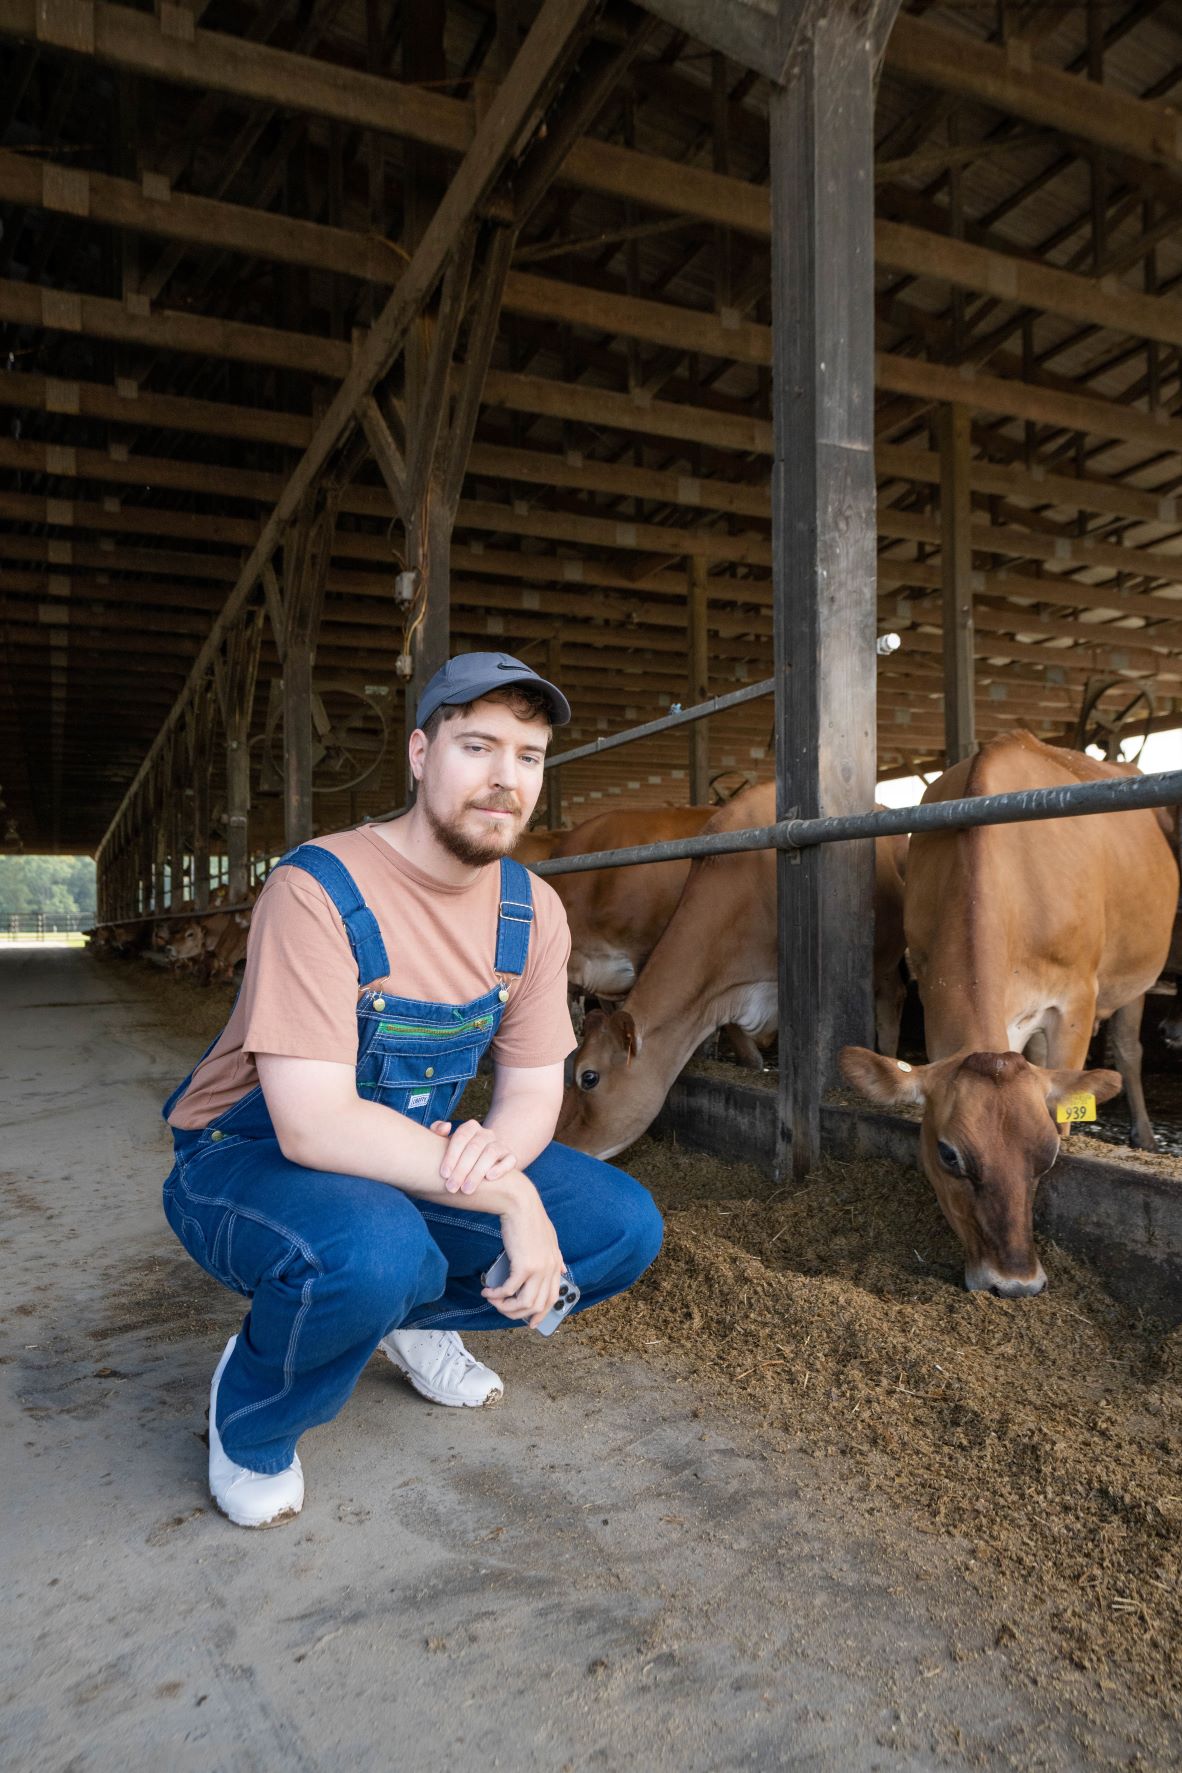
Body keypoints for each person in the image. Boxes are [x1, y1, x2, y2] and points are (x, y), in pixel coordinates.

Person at [161, 651, 663, 1528]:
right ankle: (251, 1414)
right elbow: (313, 1126)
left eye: (530, 756)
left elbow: (532, 1090)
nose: (507, 779)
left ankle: (404, 1313)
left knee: (622, 1228)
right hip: (247, 1159)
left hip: (402, 1155)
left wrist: (503, 1149)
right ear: (421, 754)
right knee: (375, 1251)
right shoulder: (317, 889)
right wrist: (508, 1193)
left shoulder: (532, 910)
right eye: (479, 746)